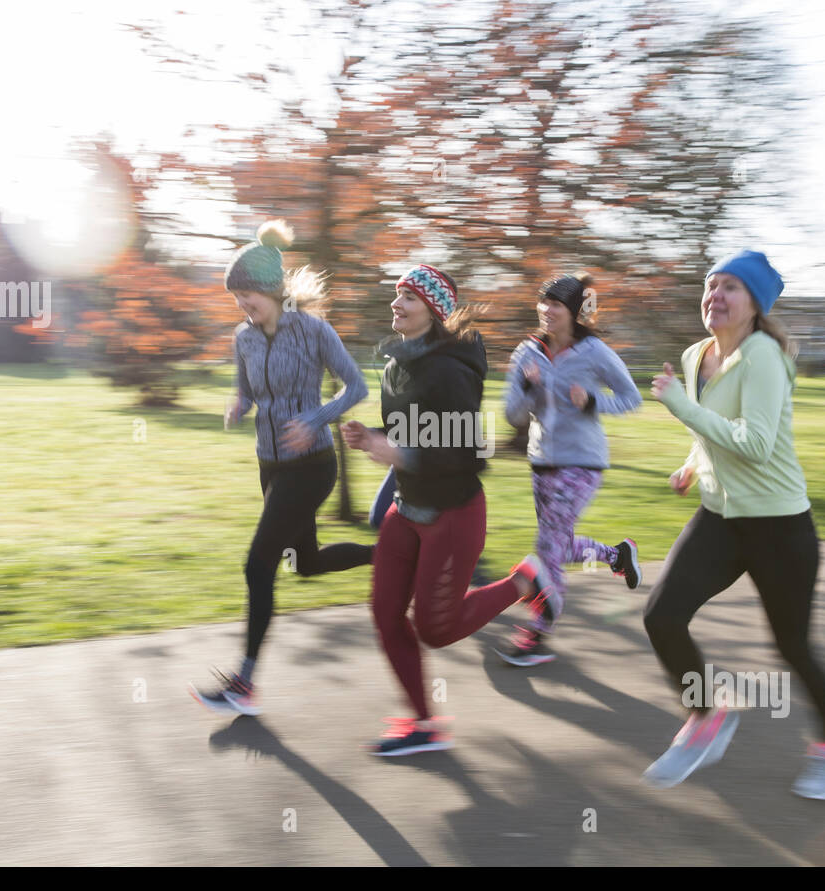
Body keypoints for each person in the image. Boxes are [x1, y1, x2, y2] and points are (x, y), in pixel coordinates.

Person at [644, 249, 825, 800]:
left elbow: (756, 445)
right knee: (661, 616)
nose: (715, 295)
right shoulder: (697, 355)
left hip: (778, 527)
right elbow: (714, 432)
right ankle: (706, 716)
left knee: (791, 647)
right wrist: (692, 465)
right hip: (721, 519)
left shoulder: (763, 355)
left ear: (755, 304)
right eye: (711, 285)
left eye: (731, 287)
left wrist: (682, 409)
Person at [341, 265, 560, 756]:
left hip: (452, 513)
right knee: (385, 614)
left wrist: (397, 453)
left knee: (435, 630)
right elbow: (408, 433)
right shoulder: (398, 364)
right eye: (396, 295)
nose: (396, 304)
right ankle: (424, 723)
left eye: (409, 299)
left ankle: (526, 580)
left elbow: (469, 453)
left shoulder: (450, 371)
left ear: (433, 311)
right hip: (408, 506)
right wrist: (372, 441)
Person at [189, 220, 372, 716]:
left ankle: (243, 684)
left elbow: (356, 388)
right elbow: (247, 389)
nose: (241, 305)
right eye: (236, 297)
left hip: (311, 466)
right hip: (269, 465)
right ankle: (390, 553)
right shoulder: (243, 338)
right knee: (305, 563)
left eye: (247, 294)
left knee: (258, 563)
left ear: (271, 289)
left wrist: (315, 417)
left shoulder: (313, 331)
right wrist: (238, 405)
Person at [498, 272, 643, 666]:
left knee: (548, 547)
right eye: (543, 302)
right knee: (557, 545)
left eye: (556, 304)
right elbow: (511, 415)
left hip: (584, 460)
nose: (546, 310)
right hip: (541, 460)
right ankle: (616, 556)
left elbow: (633, 397)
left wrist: (594, 401)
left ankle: (539, 629)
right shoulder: (526, 353)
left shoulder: (595, 352)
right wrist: (528, 390)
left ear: (575, 312)